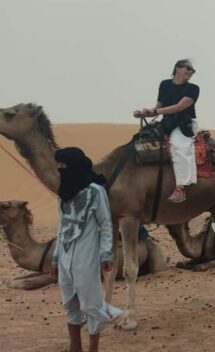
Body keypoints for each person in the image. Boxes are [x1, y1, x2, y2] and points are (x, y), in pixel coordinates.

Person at [50, 147, 124, 352]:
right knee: (70, 304)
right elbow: (61, 225)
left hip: (86, 256)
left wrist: (105, 254)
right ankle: (75, 347)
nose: (59, 168)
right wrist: (56, 258)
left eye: (63, 164)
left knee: (91, 305)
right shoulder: (63, 193)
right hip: (65, 256)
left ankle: (94, 348)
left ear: (72, 166)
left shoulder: (95, 192)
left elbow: (106, 224)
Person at [133, 59, 200, 203]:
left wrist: (155, 110)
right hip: (167, 122)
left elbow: (179, 106)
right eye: (188, 68)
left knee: (179, 146)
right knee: (141, 140)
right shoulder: (164, 84)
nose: (190, 72)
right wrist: (144, 113)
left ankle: (181, 188)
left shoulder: (193, 89)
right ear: (177, 68)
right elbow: (158, 107)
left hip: (184, 123)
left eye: (192, 70)